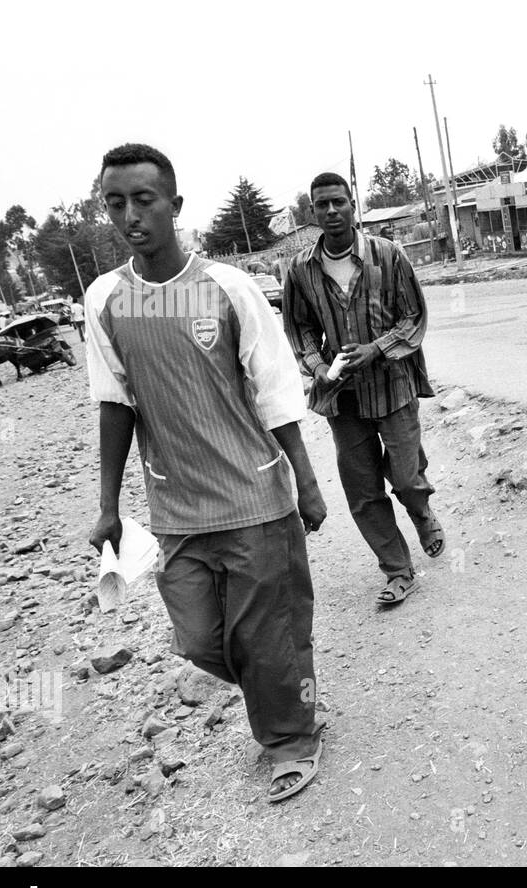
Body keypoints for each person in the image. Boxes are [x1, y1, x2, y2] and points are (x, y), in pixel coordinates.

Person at [84, 143, 327, 803]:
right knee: (197, 639)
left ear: (175, 205)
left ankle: (291, 739)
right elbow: (115, 403)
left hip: (254, 496)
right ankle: (289, 697)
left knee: (265, 631)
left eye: (144, 199)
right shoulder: (106, 299)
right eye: (116, 203)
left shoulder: (228, 287)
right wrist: (107, 504)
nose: (131, 215)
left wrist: (304, 482)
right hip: (177, 509)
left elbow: (275, 391)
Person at [282, 172, 444, 608]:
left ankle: (422, 511)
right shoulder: (299, 270)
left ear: (353, 204)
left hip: (393, 385)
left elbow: (413, 317)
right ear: (312, 212)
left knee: (407, 478)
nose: (331, 211)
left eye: (339, 202)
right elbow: (298, 327)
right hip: (344, 397)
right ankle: (397, 570)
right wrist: (317, 366)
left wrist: (377, 348)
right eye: (322, 205)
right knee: (363, 490)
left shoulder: (387, 255)